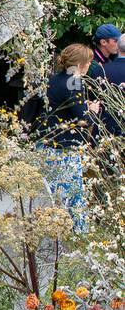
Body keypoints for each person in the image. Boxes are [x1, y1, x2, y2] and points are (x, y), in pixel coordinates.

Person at [40, 44, 101, 232]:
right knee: (72, 191)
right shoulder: (74, 82)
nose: (90, 65)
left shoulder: (54, 79)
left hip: (49, 142)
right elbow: (82, 119)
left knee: (52, 191)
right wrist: (93, 111)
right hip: (65, 147)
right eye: (89, 62)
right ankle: (76, 229)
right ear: (81, 63)